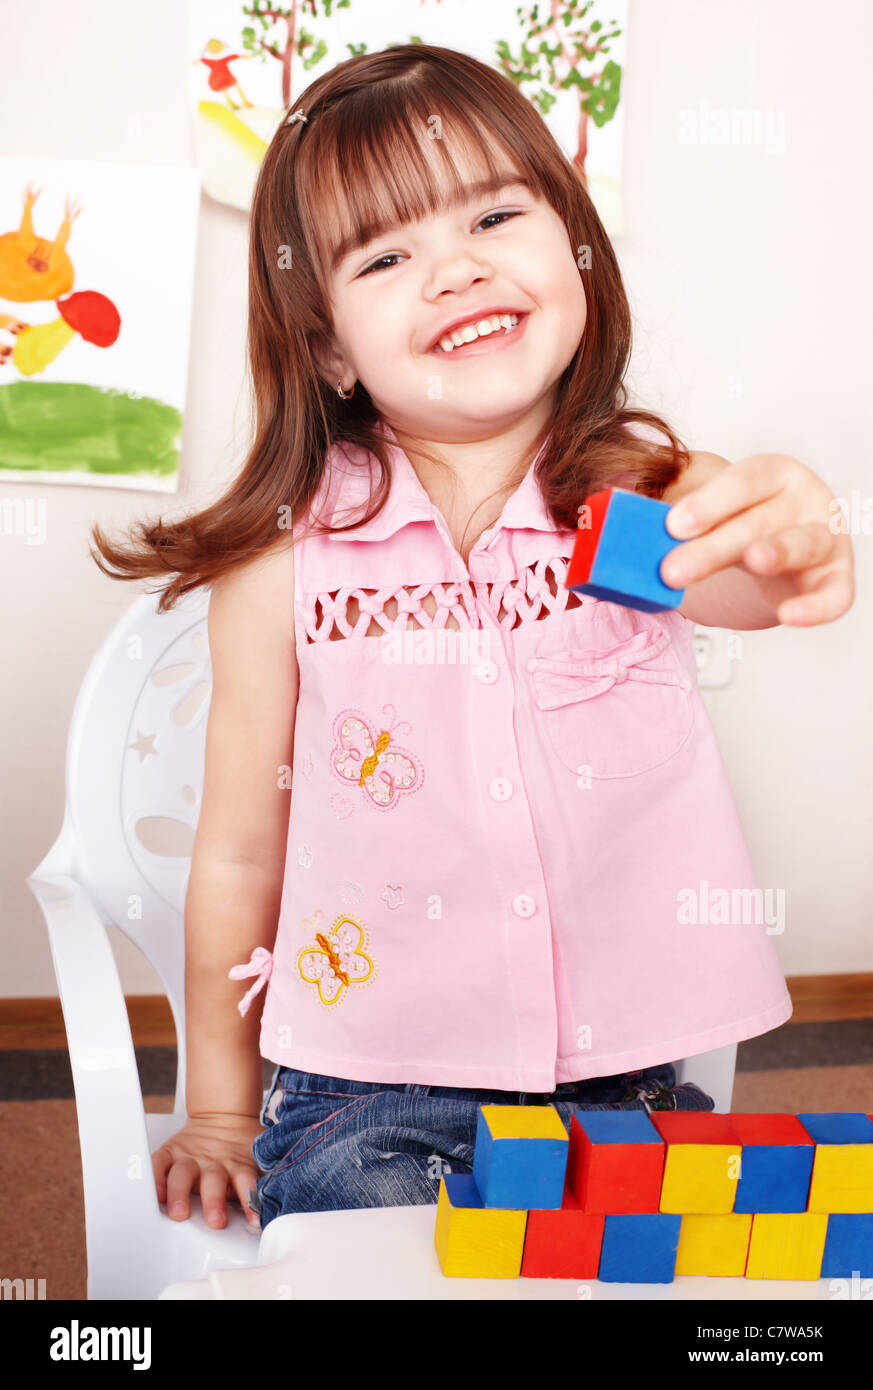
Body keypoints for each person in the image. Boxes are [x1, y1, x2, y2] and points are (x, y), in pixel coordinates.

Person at [90, 44, 854, 1232]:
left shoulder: (644, 494)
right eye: (388, 256)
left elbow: (750, 570)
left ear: (573, 248)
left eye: (496, 213)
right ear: (331, 347)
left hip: (629, 1082)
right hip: (375, 1093)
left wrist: (797, 535)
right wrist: (224, 1111)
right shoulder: (284, 562)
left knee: (725, 1271)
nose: (455, 269)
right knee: (398, 1247)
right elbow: (241, 853)